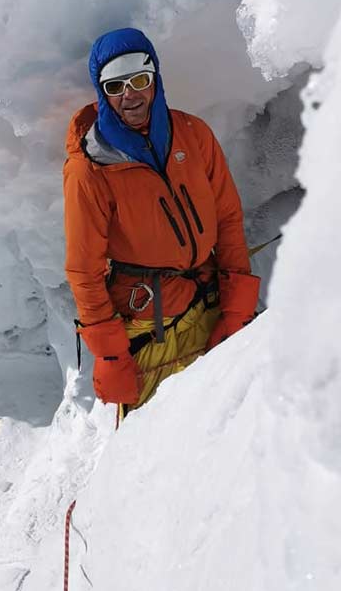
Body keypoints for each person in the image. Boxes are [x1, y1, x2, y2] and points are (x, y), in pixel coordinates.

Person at [63, 28, 260, 416]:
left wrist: (237, 308)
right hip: (148, 325)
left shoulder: (192, 134)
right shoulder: (90, 170)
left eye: (139, 80)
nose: (130, 95)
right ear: (102, 93)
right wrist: (111, 356)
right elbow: (83, 270)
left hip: (209, 303)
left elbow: (228, 218)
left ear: (155, 80)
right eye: (116, 86)